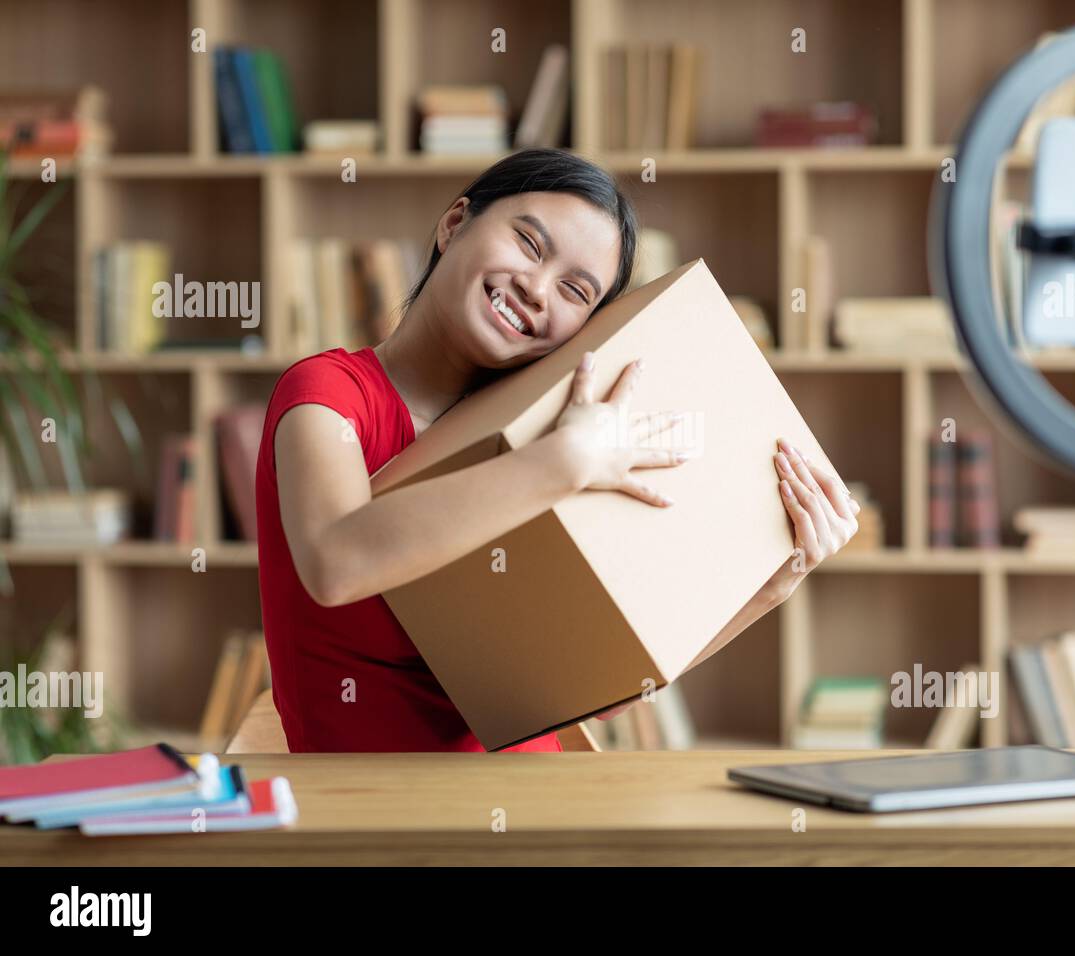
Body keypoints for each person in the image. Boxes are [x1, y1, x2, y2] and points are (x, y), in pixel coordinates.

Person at [255, 147, 860, 752]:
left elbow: (602, 690)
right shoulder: (327, 394)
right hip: (383, 823)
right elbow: (335, 563)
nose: (537, 288)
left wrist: (773, 582)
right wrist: (566, 463)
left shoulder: (554, 429)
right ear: (455, 222)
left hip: (532, 809)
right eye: (529, 244)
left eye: (575, 289)